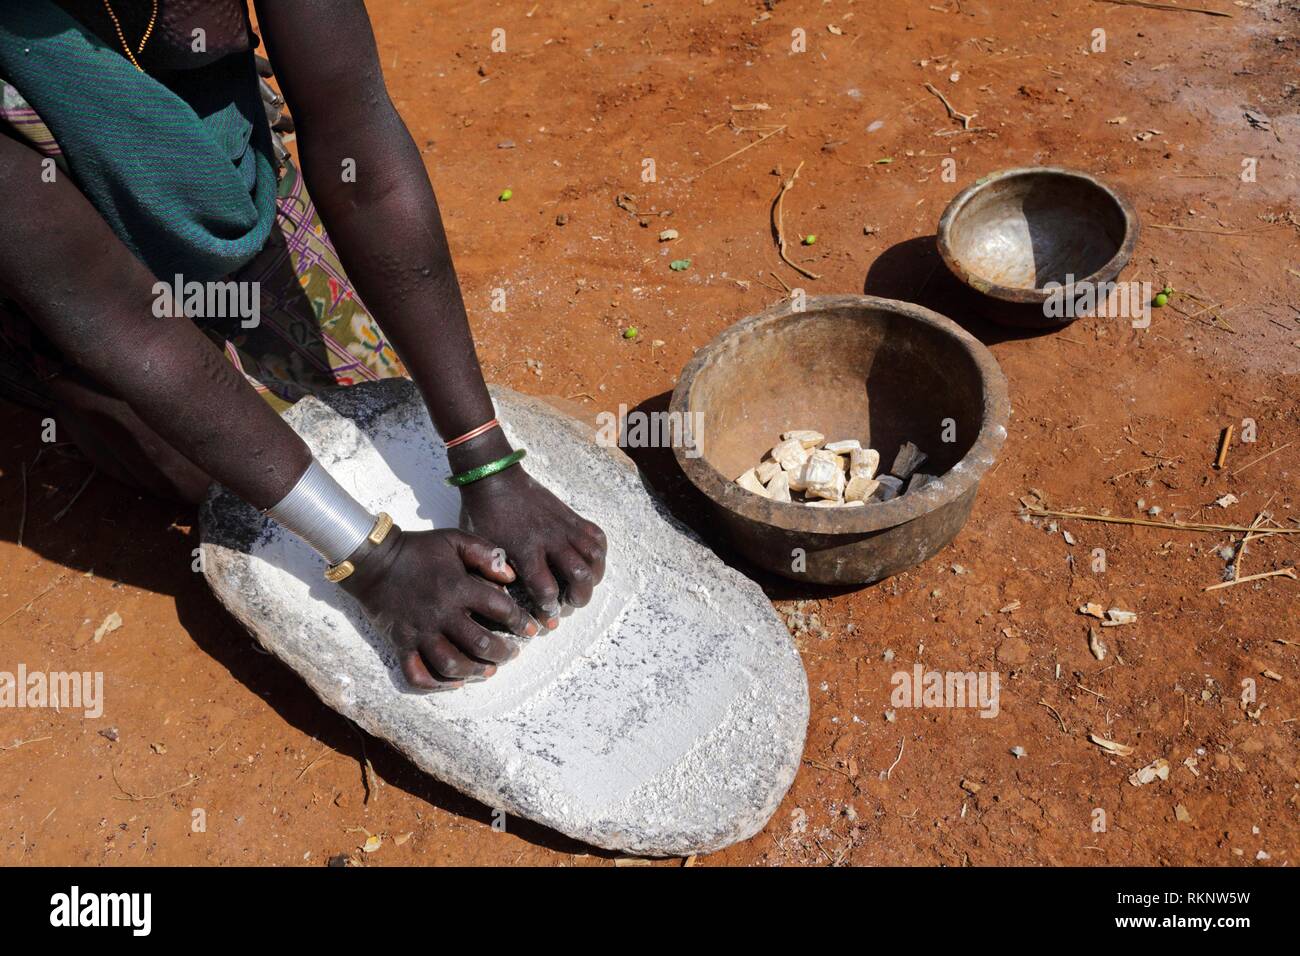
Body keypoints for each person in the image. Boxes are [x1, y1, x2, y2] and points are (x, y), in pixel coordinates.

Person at [0, 0, 607, 691]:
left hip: (217, 184)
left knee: (364, 408)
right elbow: (126, 323)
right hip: (61, 261)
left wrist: (485, 459)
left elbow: (361, 148)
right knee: (199, 478)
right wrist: (373, 560)